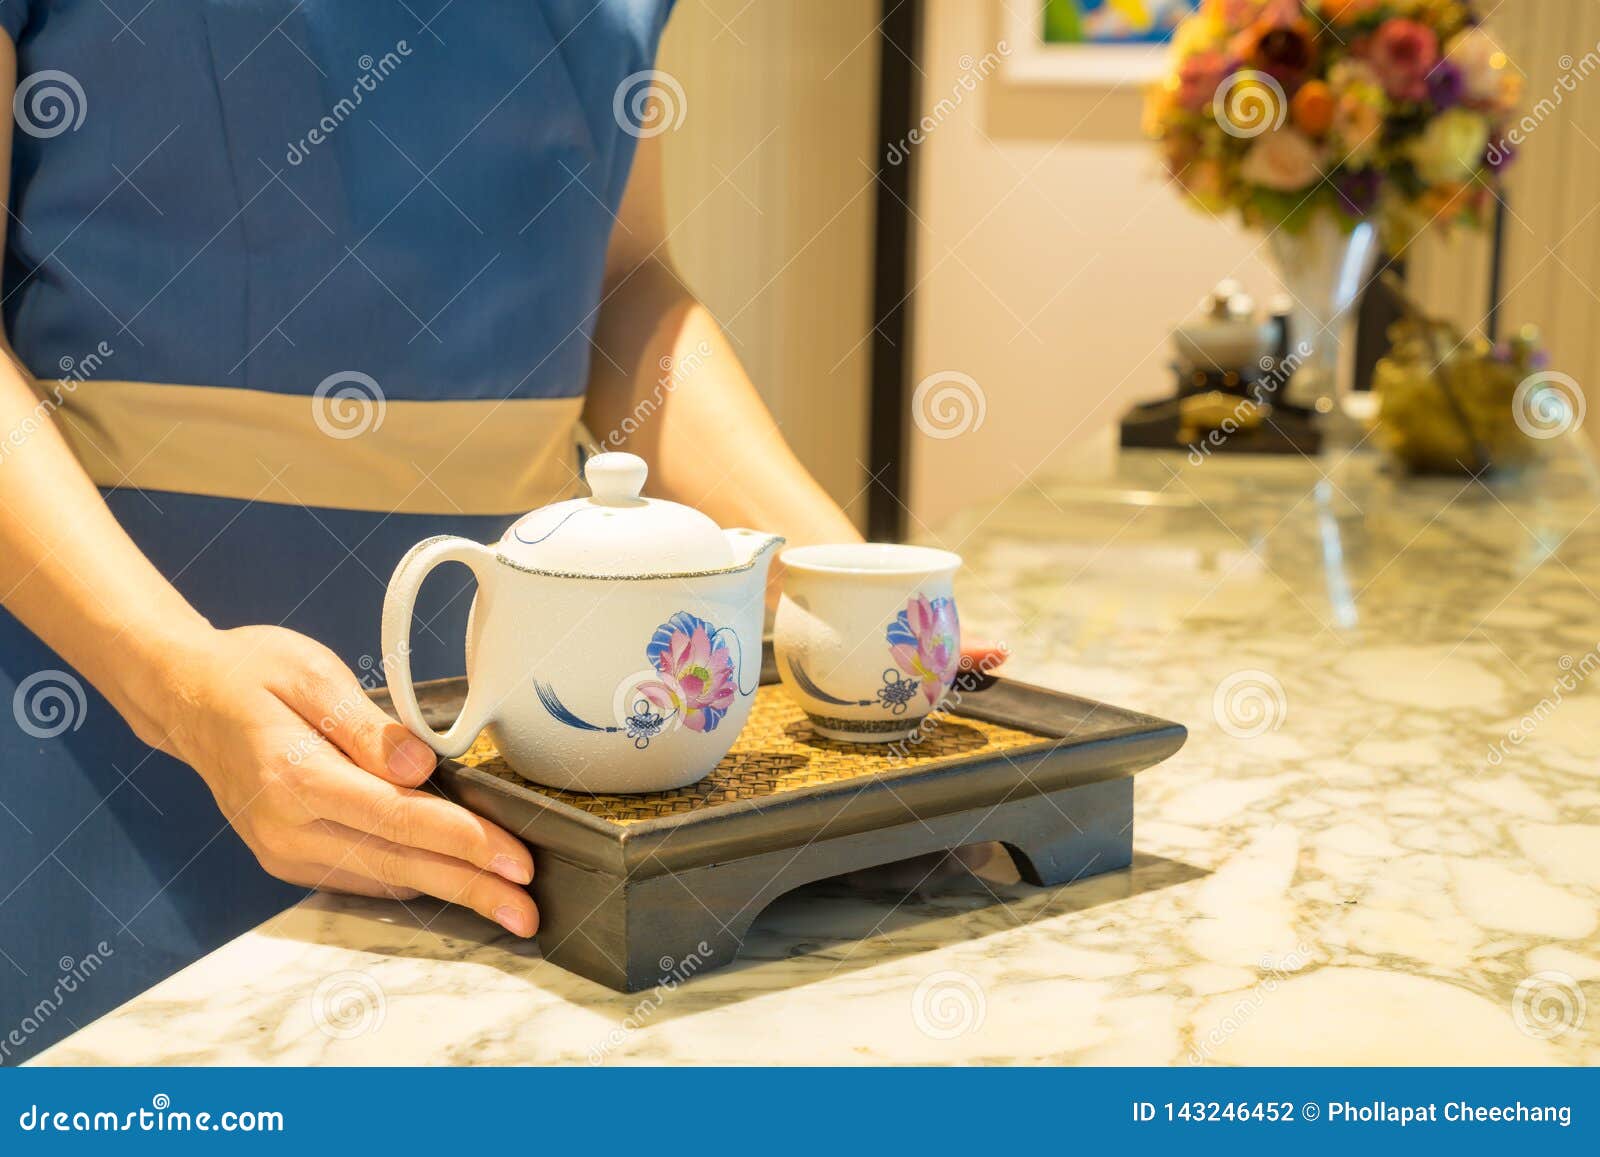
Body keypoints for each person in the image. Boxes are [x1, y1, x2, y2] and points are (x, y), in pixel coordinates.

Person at [0, 2, 998, 1063]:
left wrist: (829, 579)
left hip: (522, 724)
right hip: (113, 697)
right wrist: (178, 681)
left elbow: (622, 284)